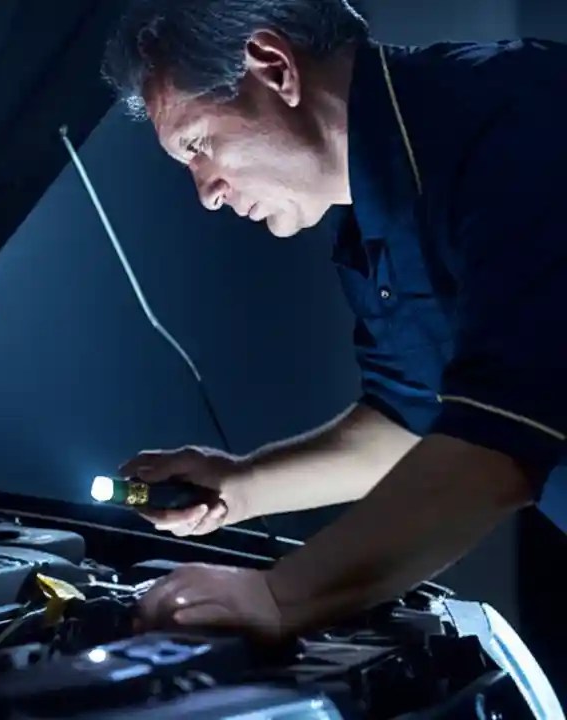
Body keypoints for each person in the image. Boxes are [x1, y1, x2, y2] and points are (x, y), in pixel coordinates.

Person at [102, 0, 567, 641]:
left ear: (274, 68)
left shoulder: (516, 122)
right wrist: (241, 485)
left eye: (199, 145)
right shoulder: (374, 221)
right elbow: (413, 420)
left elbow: (498, 444)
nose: (207, 192)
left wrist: (278, 597)